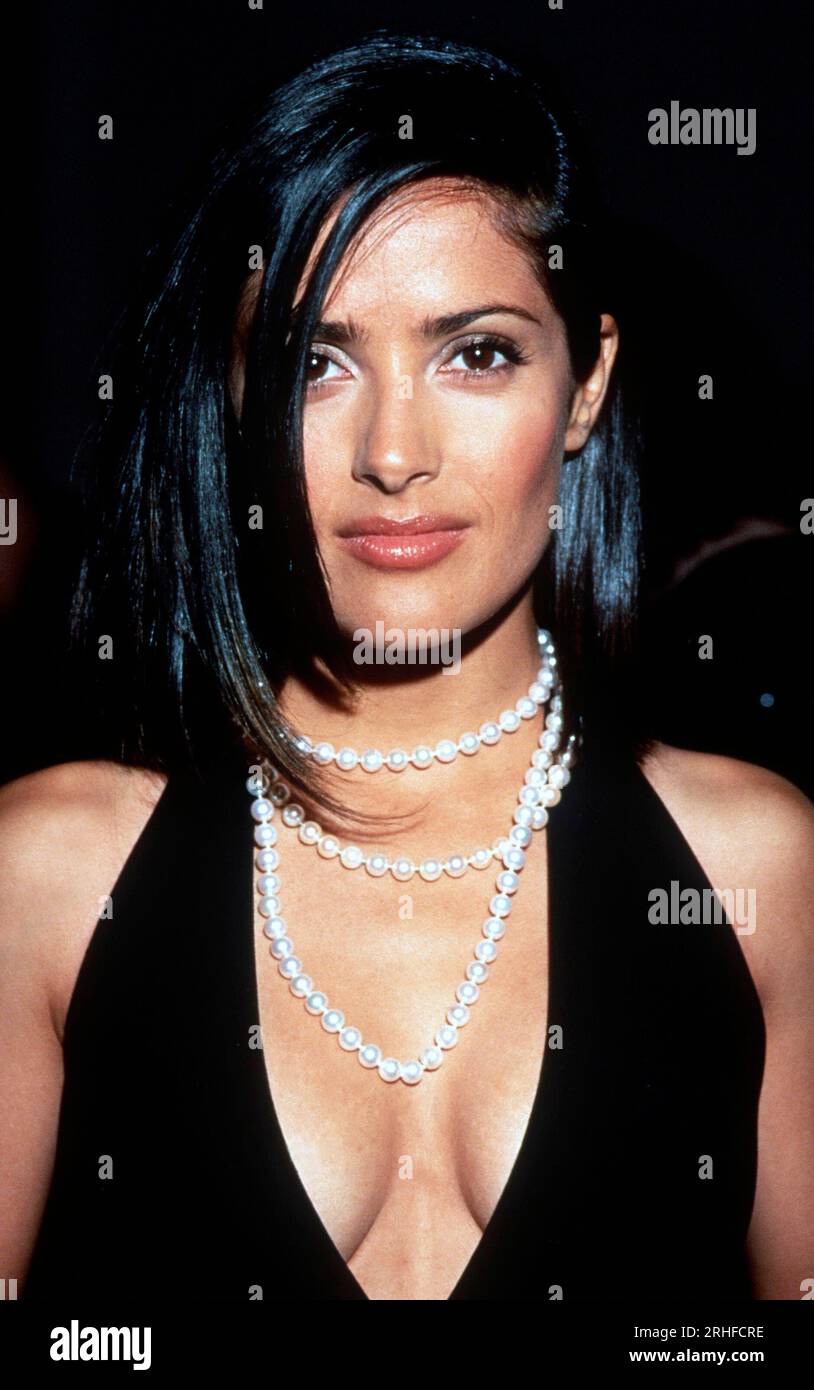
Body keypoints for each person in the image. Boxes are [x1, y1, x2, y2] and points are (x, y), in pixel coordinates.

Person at [1, 31, 812, 1303]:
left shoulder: (755, 865)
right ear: (232, 397)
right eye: (314, 362)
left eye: (475, 351)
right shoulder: (47, 876)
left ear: (586, 383)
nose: (392, 450)